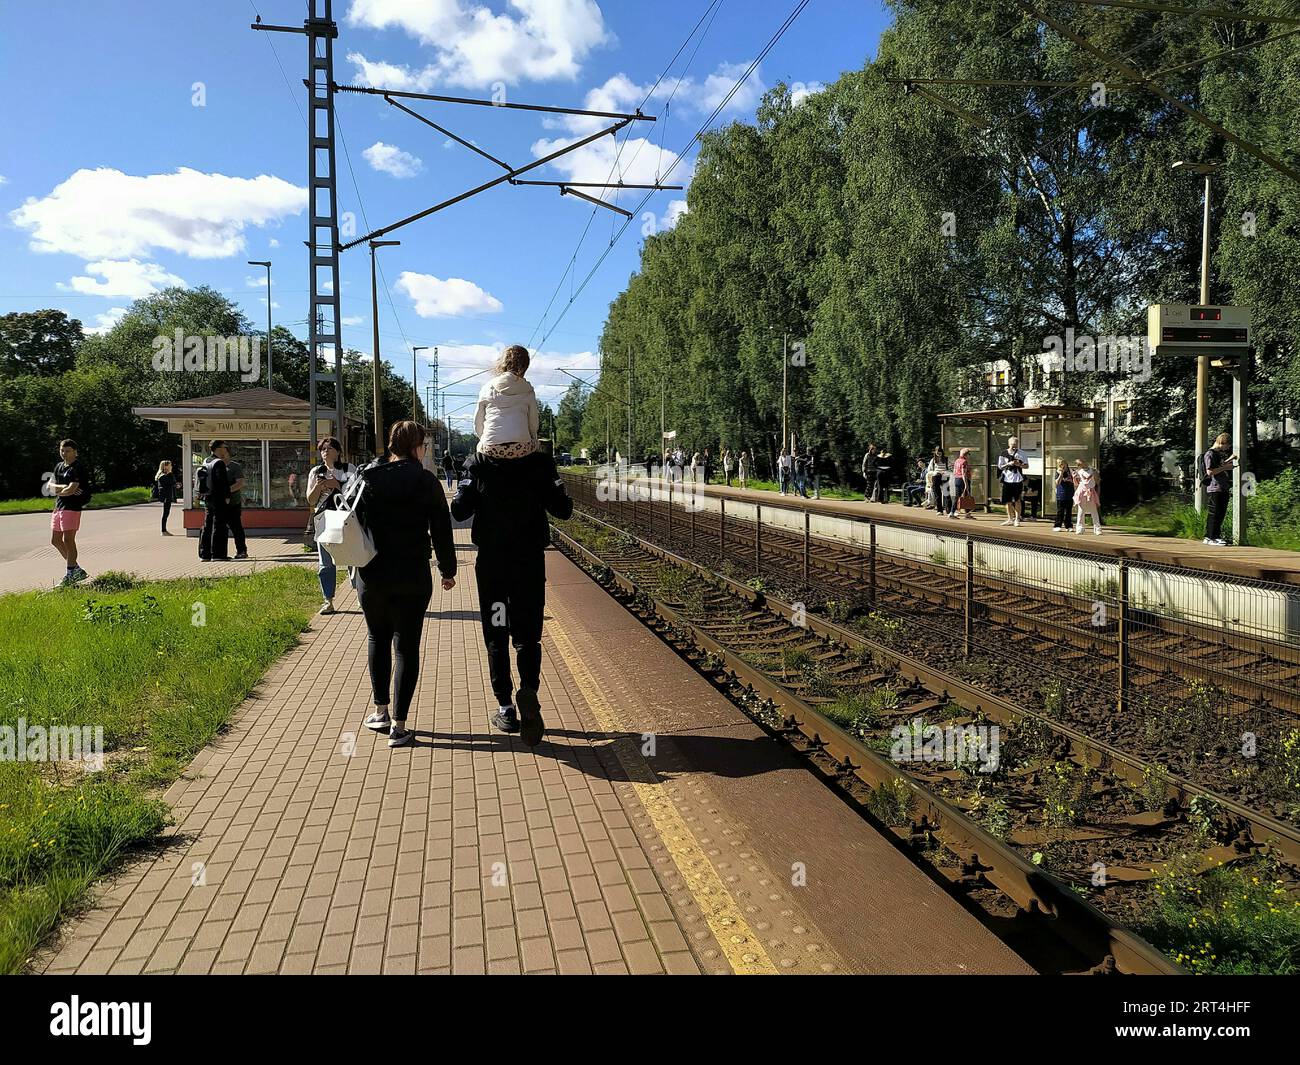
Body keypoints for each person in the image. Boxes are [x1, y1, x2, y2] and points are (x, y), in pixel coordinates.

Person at [451, 439, 574, 747]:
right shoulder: (540, 463)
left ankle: (506, 707)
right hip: (529, 563)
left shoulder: (477, 462)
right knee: (527, 634)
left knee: (496, 632)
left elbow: (460, 508)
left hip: (493, 565)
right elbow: (563, 509)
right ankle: (529, 690)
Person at [356, 421, 457, 749]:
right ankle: (399, 727)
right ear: (417, 447)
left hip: (372, 575)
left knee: (377, 637)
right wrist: (447, 569)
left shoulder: (368, 477)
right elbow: (442, 529)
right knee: (406, 646)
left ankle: (380, 711)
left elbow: (350, 520)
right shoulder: (426, 481)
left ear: (391, 445)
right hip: (413, 575)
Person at [306, 437, 358, 615]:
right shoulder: (316, 471)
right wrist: (319, 488)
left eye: (329, 448)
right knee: (325, 562)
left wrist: (336, 485)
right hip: (324, 520)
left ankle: (361, 595)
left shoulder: (348, 469)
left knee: (352, 558)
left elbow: (354, 495)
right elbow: (311, 500)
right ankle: (328, 600)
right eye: (322, 449)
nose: (325, 451)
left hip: (345, 519)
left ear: (338, 451)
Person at [475, 345, 539, 459]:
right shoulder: (528, 390)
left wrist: (485, 440)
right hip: (522, 448)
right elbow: (533, 424)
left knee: (478, 452)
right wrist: (533, 439)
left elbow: (477, 423)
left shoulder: (487, 388)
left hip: (491, 448)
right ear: (525, 366)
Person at [50, 439, 91, 585]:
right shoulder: (59, 466)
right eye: (62, 450)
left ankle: (70, 572)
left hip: (72, 507)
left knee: (68, 539)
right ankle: (76, 569)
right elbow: (50, 486)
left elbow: (71, 490)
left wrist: (60, 489)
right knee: (55, 540)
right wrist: (63, 488)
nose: (64, 453)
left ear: (75, 452)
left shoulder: (77, 468)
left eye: (67, 451)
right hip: (59, 507)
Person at [198, 440, 235, 563]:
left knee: (207, 524)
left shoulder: (206, 461)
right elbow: (221, 482)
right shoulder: (219, 463)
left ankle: (205, 554)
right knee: (219, 525)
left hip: (207, 497)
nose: (226, 450)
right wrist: (227, 496)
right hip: (218, 498)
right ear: (219, 448)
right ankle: (218, 554)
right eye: (225, 447)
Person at [1202, 432, 1236, 546]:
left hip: (1221, 487)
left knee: (1220, 513)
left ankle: (1210, 536)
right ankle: (1212, 537)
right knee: (1215, 513)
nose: (1227, 448)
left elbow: (1219, 466)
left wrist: (1229, 460)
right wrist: (1227, 467)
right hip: (1215, 487)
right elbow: (1210, 471)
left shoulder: (1217, 454)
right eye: (1227, 445)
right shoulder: (1210, 454)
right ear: (1222, 442)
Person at [997, 436, 1029, 527]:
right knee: (1008, 500)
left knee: (1017, 500)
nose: (1014, 446)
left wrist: (1019, 464)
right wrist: (1008, 464)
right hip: (1007, 479)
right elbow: (1000, 466)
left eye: (1015, 444)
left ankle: (1017, 518)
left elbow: (1026, 466)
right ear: (1009, 444)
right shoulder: (1003, 453)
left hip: (1017, 479)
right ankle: (1010, 518)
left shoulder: (1022, 453)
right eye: (1012, 444)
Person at [224, 452, 249, 559]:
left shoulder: (234, 466)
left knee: (236, 527)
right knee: (219, 528)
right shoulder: (214, 464)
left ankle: (242, 551)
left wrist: (226, 492)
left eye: (224, 453)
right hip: (218, 503)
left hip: (233, 502)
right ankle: (219, 553)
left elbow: (240, 483)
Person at [1073, 459, 1102, 535]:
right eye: (1080, 464)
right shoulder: (1078, 472)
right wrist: (1074, 477)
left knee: (1093, 510)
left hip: (1091, 491)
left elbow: (1097, 481)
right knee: (1081, 510)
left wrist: (1096, 474)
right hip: (1082, 491)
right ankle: (1080, 528)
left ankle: (1097, 528)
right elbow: (1076, 484)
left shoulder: (1093, 470)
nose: (1083, 465)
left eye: (1083, 463)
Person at [153, 459, 179, 535]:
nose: (171, 466)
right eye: (170, 465)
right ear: (165, 466)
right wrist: (170, 474)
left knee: (166, 513)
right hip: (165, 497)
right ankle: (163, 531)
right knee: (165, 513)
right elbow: (171, 482)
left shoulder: (166, 475)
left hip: (167, 496)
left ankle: (164, 530)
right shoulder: (162, 476)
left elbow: (173, 482)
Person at [1052, 458, 1075, 531]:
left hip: (1070, 493)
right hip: (1061, 493)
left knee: (1069, 510)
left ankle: (1068, 526)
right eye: (1060, 464)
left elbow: (1075, 481)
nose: (1062, 465)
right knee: (1060, 510)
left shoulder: (1071, 471)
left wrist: (1071, 479)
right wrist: (1061, 474)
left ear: (1066, 463)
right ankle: (1057, 525)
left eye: (1063, 463)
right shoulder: (1058, 471)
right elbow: (1057, 482)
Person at [925, 447, 950, 513]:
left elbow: (951, 468)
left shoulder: (946, 459)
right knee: (937, 493)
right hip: (936, 476)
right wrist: (935, 472)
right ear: (935, 453)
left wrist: (945, 472)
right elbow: (929, 470)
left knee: (946, 493)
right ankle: (940, 510)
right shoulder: (933, 460)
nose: (938, 453)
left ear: (942, 452)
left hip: (944, 476)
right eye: (937, 452)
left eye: (940, 452)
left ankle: (949, 510)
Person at [951, 448, 974, 519]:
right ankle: (967, 514)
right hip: (963, 480)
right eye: (968, 454)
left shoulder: (957, 461)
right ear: (966, 454)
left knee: (957, 497)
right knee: (967, 496)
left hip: (956, 479)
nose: (968, 456)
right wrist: (966, 484)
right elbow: (963, 473)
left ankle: (952, 512)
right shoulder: (964, 462)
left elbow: (954, 471)